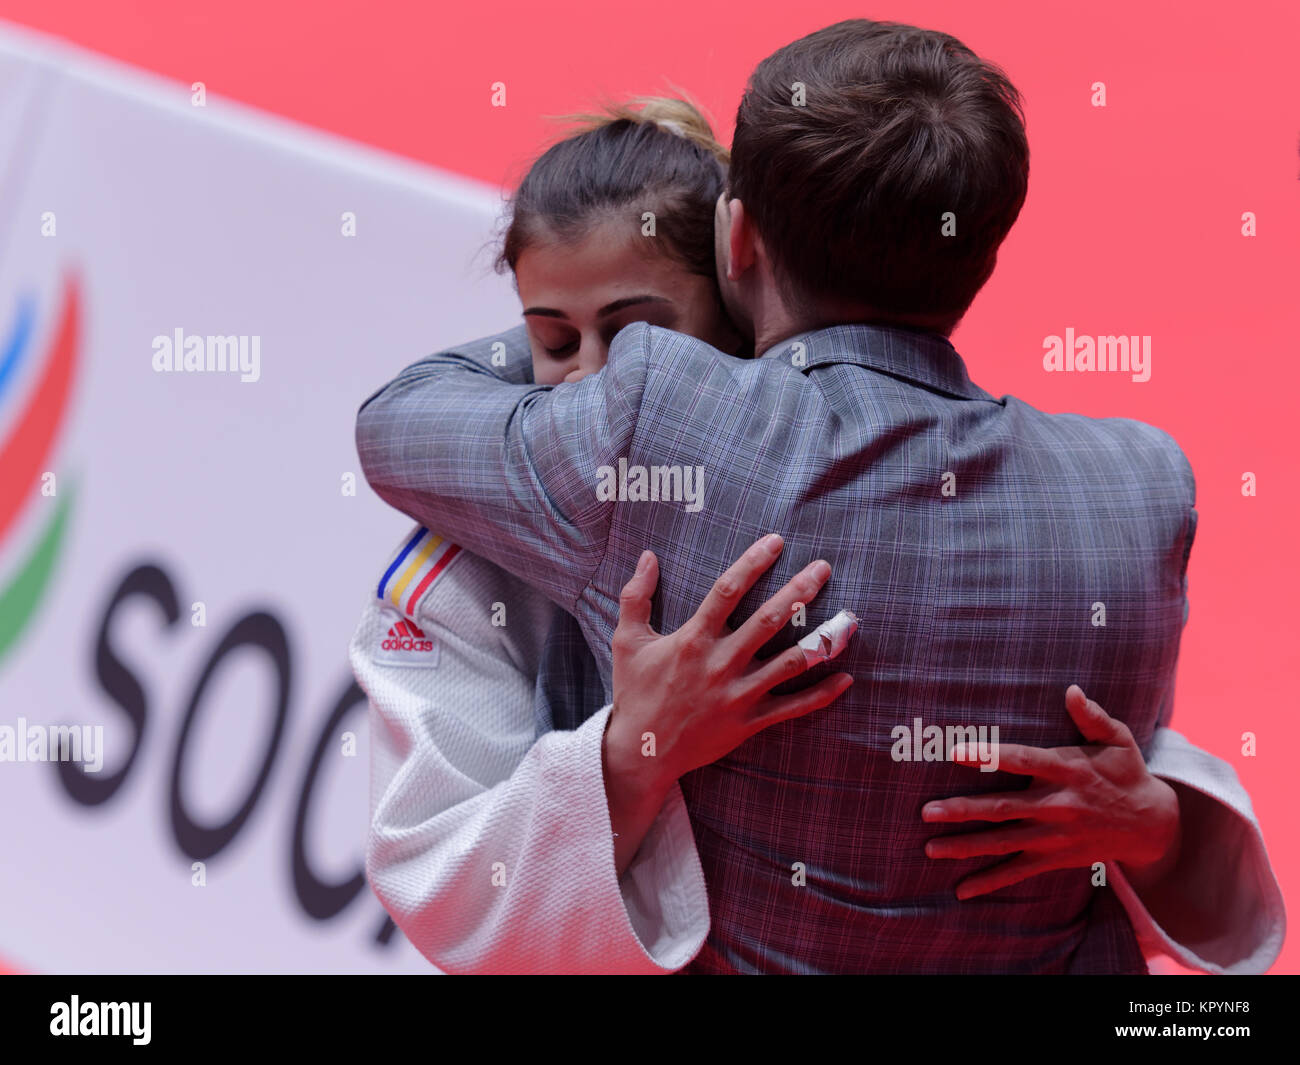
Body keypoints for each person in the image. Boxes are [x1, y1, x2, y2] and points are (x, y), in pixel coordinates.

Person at [354, 71, 1283, 972]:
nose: (591, 381)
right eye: (554, 339)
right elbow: (434, 871)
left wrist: (1157, 825)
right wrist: (627, 758)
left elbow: (1087, 738)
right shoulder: (1124, 491)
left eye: (637, 333)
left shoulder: (952, 497)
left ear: (736, 261)